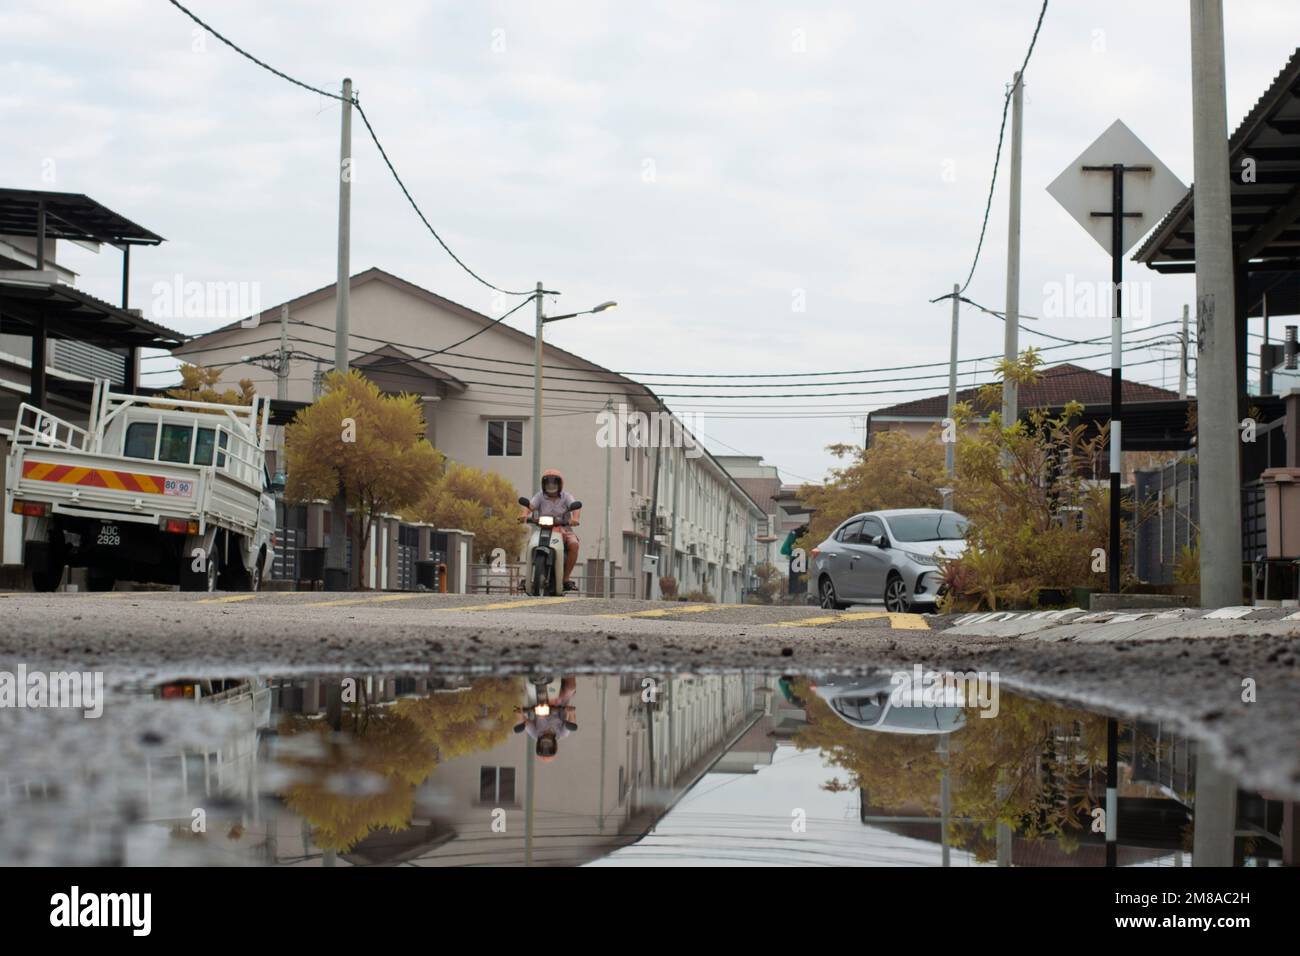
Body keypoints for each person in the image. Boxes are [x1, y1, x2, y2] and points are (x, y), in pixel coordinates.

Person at [518, 468, 581, 591]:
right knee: (530, 544)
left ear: (560, 484)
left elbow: (575, 507)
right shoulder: (540, 496)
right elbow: (530, 506)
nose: (551, 485)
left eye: (554, 482)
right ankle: (528, 577)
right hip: (543, 529)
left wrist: (575, 518)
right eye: (548, 483)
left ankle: (566, 579)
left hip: (564, 528)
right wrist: (524, 515)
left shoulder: (566, 496)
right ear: (543, 484)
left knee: (574, 544)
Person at [513, 677, 578, 762]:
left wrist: (519, 715)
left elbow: (525, 722)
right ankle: (569, 666)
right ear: (554, 746)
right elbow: (571, 722)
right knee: (571, 687)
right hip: (560, 702)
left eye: (543, 745)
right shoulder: (562, 733)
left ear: (538, 745)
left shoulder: (535, 733)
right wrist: (571, 712)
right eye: (549, 746)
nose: (546, 743)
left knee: (526, 686)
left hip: (539, 702)